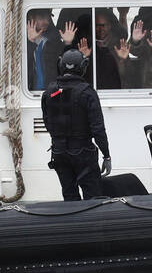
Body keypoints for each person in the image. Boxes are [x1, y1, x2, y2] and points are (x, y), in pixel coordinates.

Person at [42, 49, 112, 201]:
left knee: (69, 196)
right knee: (93, 197)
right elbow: (98, 129)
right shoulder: (87, 93)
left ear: (60, 65)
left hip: (59, 152)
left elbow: (48, 123)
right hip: (83, 153)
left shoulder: (49, 92)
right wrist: (106, 155)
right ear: (83, 66)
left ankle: (73, 224)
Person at [26, 8, 64, 91]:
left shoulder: (55, 41)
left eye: (48, 18)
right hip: (29, 90)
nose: (46, 22)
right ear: (31, 18)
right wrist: (31, 42)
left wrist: (68, 43)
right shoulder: (21, 41)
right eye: (41, 17)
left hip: (51, 90)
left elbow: (62, 62)